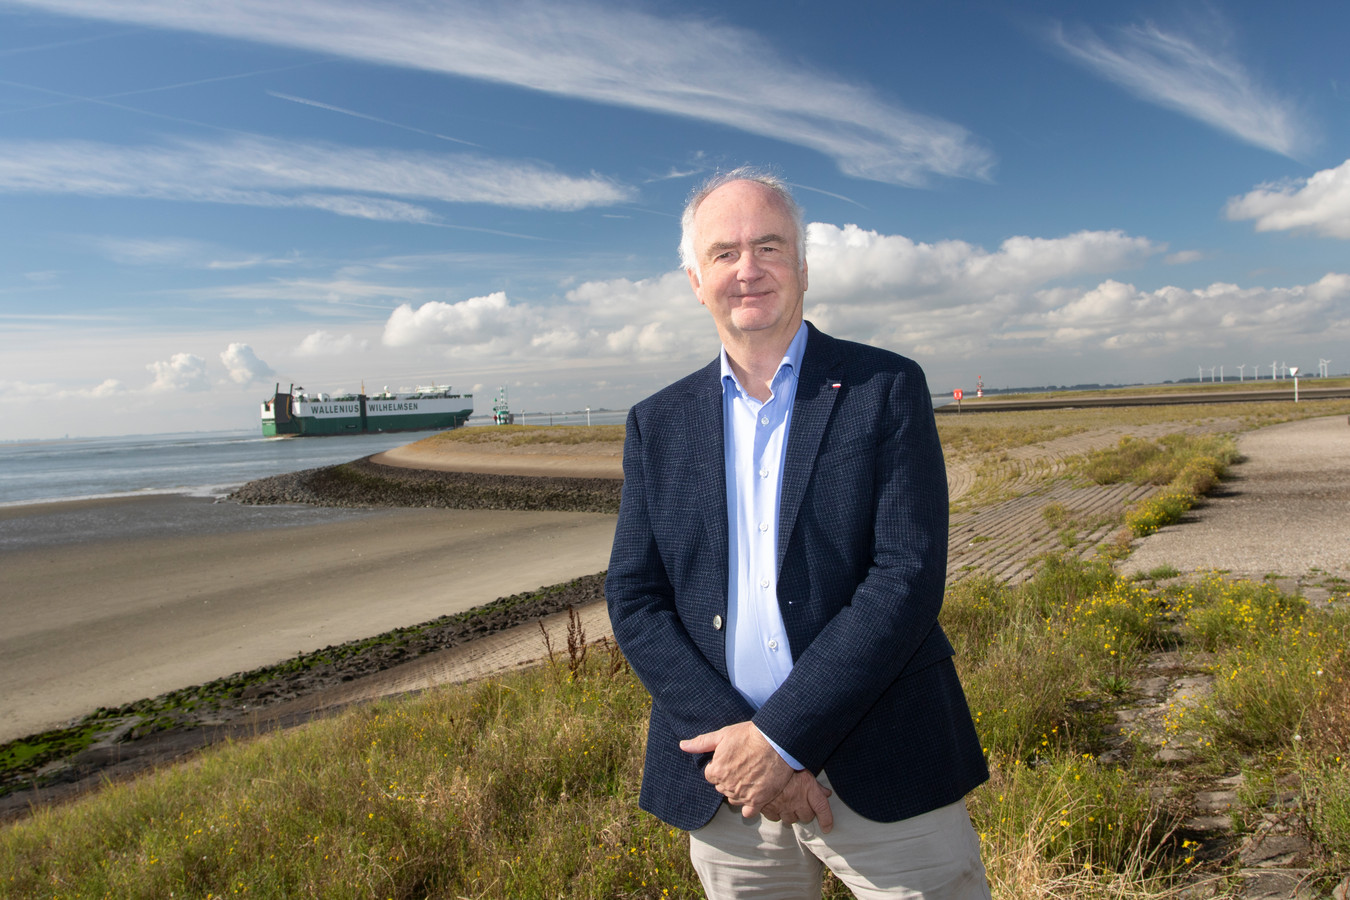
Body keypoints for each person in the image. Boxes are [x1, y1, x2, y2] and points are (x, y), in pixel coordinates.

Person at [605, 167, 990, 898]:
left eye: (770, 247)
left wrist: (783, 739)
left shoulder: (886, 387)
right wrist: (746, 750)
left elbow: (905, 576)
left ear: (804, 268)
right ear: (694, 277)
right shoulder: (656, 423)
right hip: (728, 791)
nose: (747, 270)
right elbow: (634, 595)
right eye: (724, 253)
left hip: (884, 770)